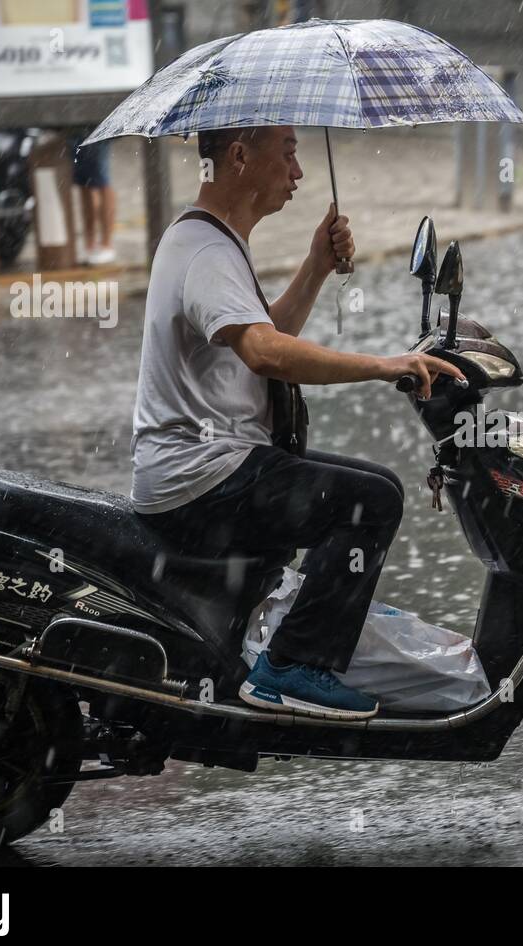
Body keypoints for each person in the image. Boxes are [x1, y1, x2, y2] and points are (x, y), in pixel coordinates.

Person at [129, 124, 462, 720]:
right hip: (201, 478)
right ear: (238, 157)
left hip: (215, 466)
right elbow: (264, 352)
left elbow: (262, 334)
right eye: (287, 154)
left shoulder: (214, 242)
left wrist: (314, 265)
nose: (299, 172)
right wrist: (383, 366)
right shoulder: (204, 251)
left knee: (372, 489)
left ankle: (287, 651)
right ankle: (291, 668)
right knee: (369, 501)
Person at [70, 131, 117, 265]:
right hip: (76, 127)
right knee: (84, 183)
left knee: (101, 181)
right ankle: (90, 244)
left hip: (94, 125)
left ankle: (106, 244)